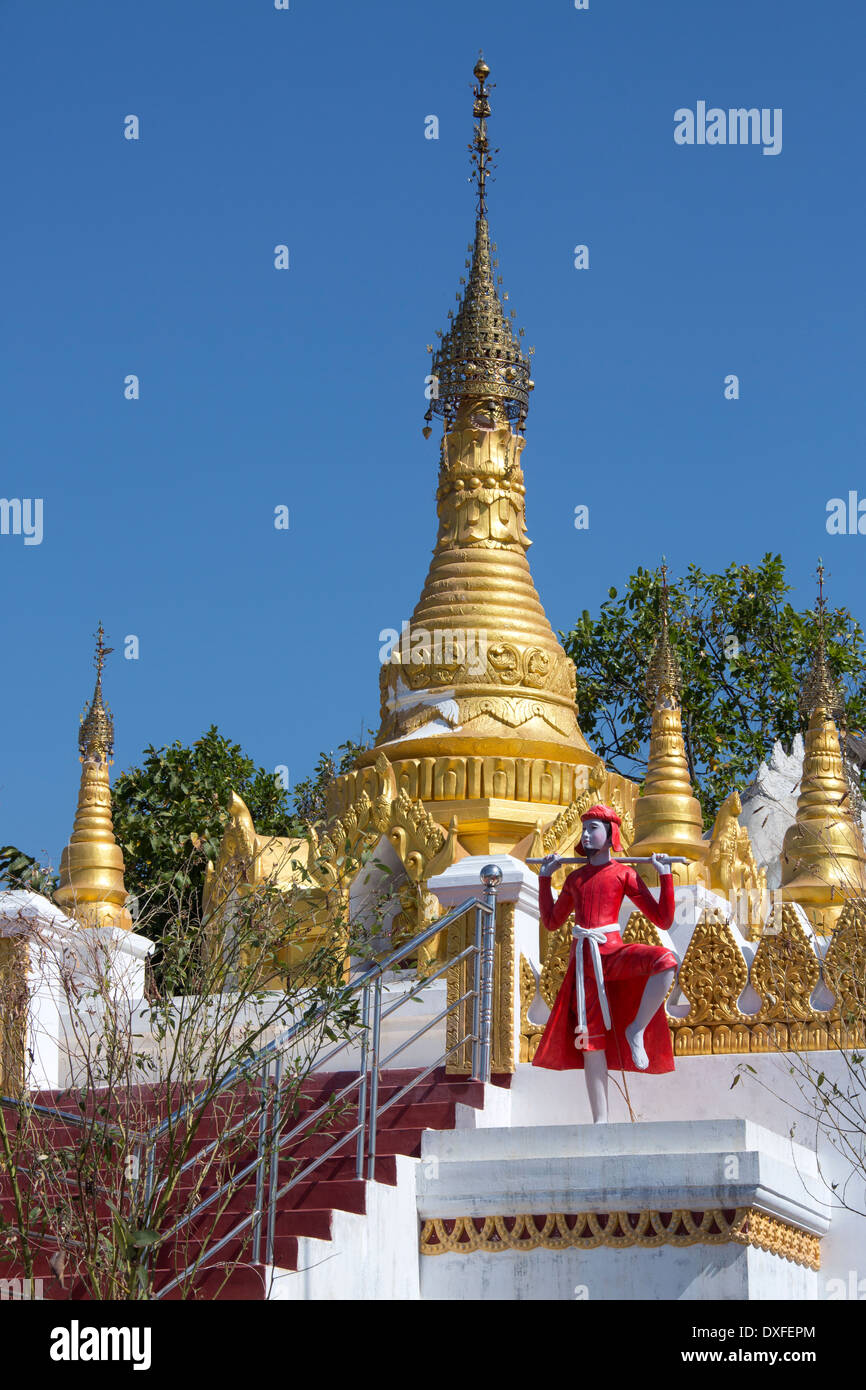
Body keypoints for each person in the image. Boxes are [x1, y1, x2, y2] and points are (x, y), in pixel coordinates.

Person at [531, 803, 678, 1123]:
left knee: (666, 961)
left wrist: (665, 876)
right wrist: (545, 879)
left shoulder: (624, 872)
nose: (586, 834)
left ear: (611, 833)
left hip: (613, 951)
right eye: (584, 829)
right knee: (591, 1040)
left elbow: (663, 919)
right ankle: (601, 1120)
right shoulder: (575, 879)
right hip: (584, 959)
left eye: (593, 828)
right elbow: (552, 921)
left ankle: (635, 1029)